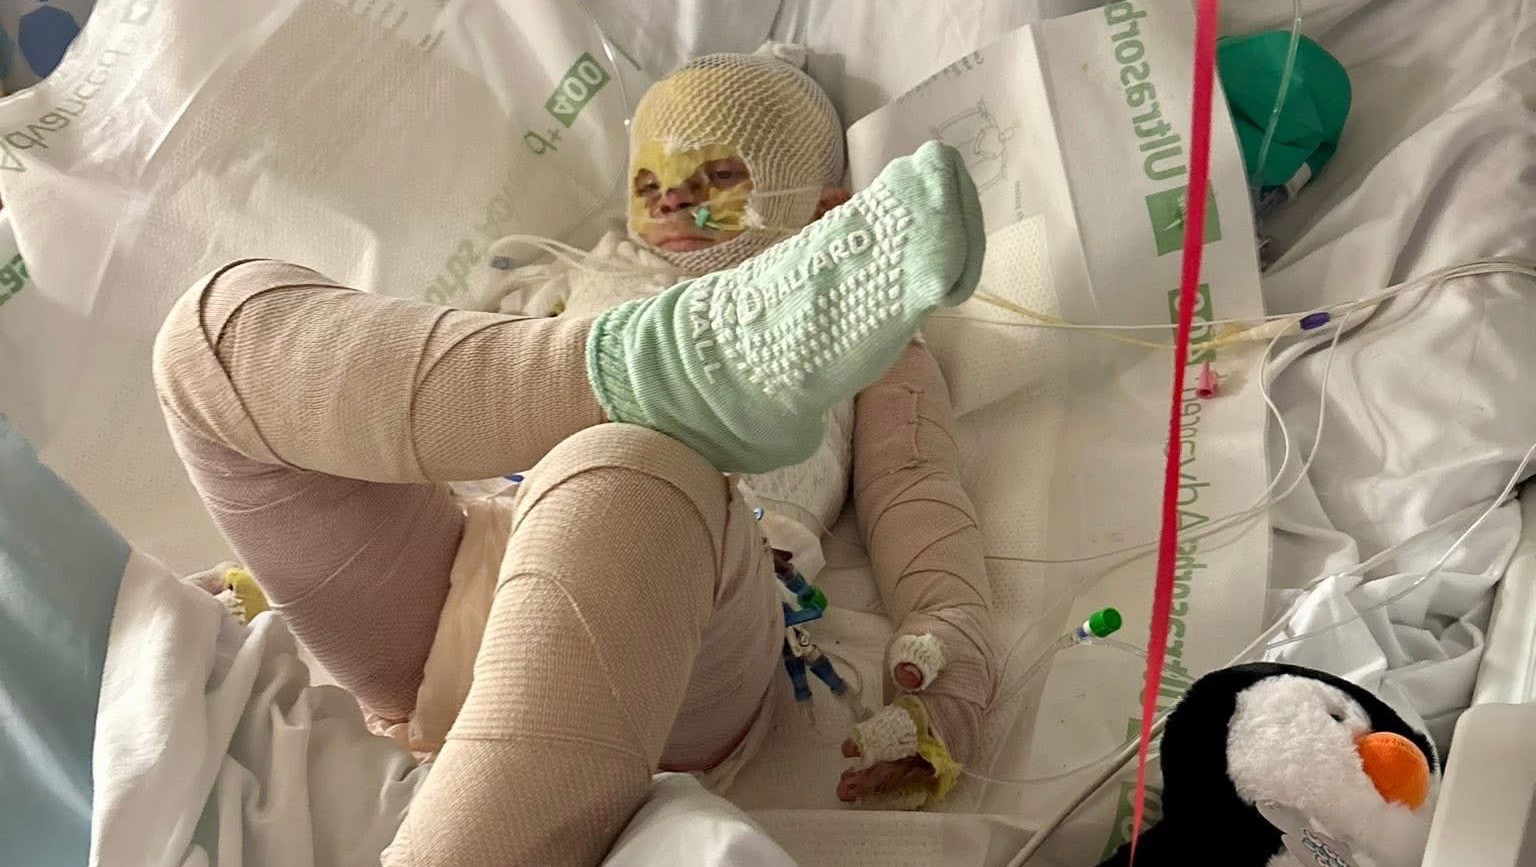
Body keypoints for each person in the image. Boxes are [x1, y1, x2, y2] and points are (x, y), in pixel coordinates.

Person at [152, 46, 990, 867]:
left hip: (674, 616)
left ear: (824, 212)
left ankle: (659, 390)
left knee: (627, 463)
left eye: (715, 179)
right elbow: (409, 404)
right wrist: (300, 553)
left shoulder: (880, 332)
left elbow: (916, 487)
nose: (673, 200)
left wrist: (950, 651)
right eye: (651, 183)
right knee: (210, 338)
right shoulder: (577, 276)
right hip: (465, 573)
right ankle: (657, 369)